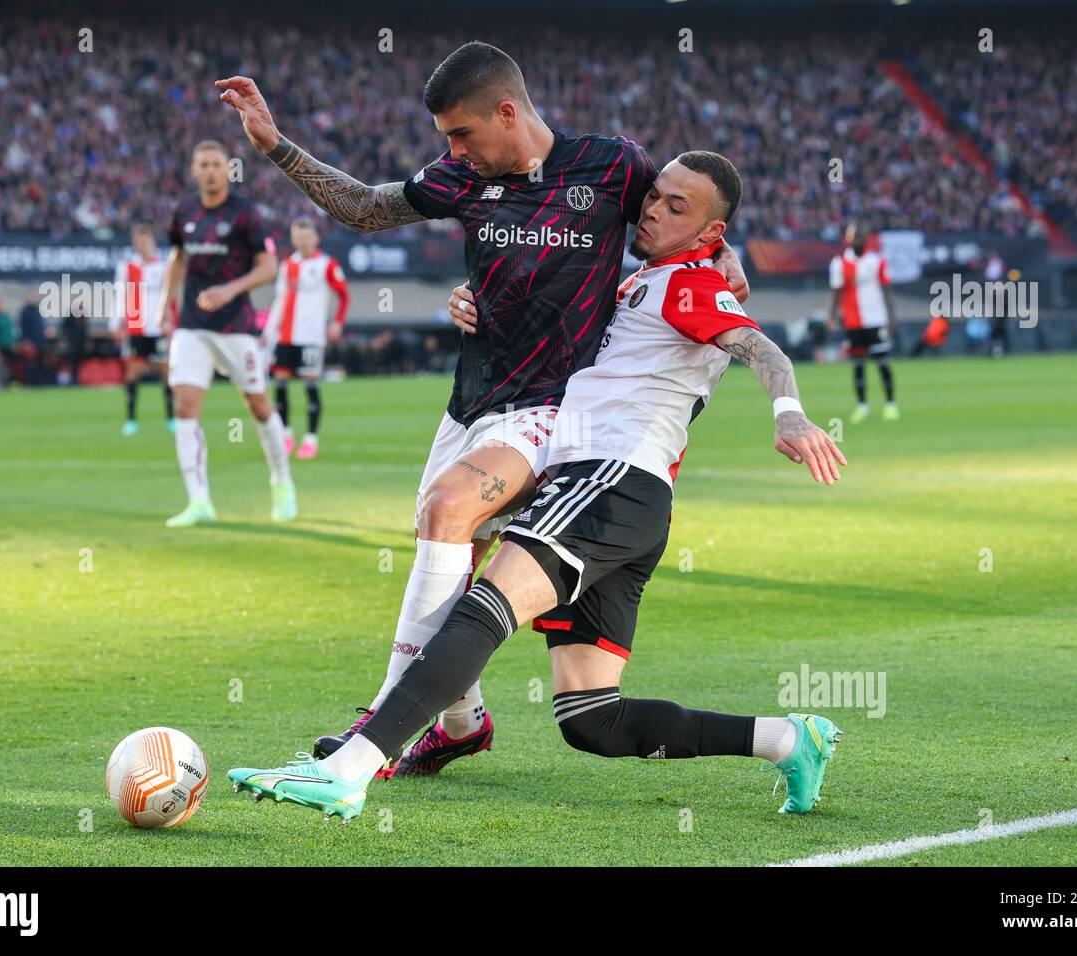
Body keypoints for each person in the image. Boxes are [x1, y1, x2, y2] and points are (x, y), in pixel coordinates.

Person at [228, 152, 846, 821]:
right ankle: (788, 738)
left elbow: (761, 349)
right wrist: (477, 303)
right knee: (591, 718)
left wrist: (790, 413)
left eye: (678, 208)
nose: (654, 209)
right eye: (656, 196)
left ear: (709, 234)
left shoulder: (689, 284)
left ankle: (350, 767)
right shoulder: (643, 283)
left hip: (609, 480)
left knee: (485, 604)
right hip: (629, 503)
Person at [217, 42, 749, 775]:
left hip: (552, 407)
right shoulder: (461, 177)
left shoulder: (612, 167)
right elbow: (369, 209)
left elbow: (689, 209)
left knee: (448, 509)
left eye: (461, 133)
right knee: (446, 548)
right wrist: (276, 146)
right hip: (472, 400)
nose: (453, 150)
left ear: (508, 112)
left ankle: (379, 728)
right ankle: (462, 721)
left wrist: (729, 257)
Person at [154, 140, 292, 527]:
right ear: (194, 170)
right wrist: (165, 304)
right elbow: (178, 258)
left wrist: (230, 290)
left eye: (217, 164)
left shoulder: (245, 214)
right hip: (193, 327)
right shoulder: (184, 212)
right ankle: (199, 501)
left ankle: (282, 483)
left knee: (259, 406)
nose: (211, 170)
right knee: (184, 404)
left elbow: (269, 266)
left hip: (236, 327)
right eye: (204, 164)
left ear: (227, 170)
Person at [261, 218, 348, 460]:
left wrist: (337, 322)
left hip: (311, 335)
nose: (302, 240)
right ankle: (286, 434)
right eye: (297, 236)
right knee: (280, 383)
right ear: (292, 238)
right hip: (285, 335)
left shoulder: (326, 264)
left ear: (315, 238)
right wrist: (269, 330)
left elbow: (343, 295)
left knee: (310, 384)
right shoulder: (286, 265)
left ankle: (310, 439)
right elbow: (279, 300)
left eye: (306, 235)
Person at [827, 223, 898, 422]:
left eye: (861, 236)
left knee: (882, 362)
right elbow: (836, 292)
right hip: (853, 322)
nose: (858, 240)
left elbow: (886, 291)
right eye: (854, 237)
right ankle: (862, 406)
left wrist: (891, 317)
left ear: (866, 239)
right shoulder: (839, 263)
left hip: (876, 320)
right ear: (848, 239)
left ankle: (890, 404)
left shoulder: (877, 262)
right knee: (858, 365)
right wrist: (831, 316)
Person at [110, 223, 175, 436]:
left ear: (153, 241)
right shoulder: (126, 267)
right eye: (138, 240)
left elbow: (171, 298)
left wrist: (171, 323)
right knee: (132, 373)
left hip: (158, 328)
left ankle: (171, 419)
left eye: (145, 239)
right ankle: (131, 420)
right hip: (135, 327)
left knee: (165, 372)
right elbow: (120, 296)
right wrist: (115, 323)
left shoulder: (164, 267)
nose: (142, 243)